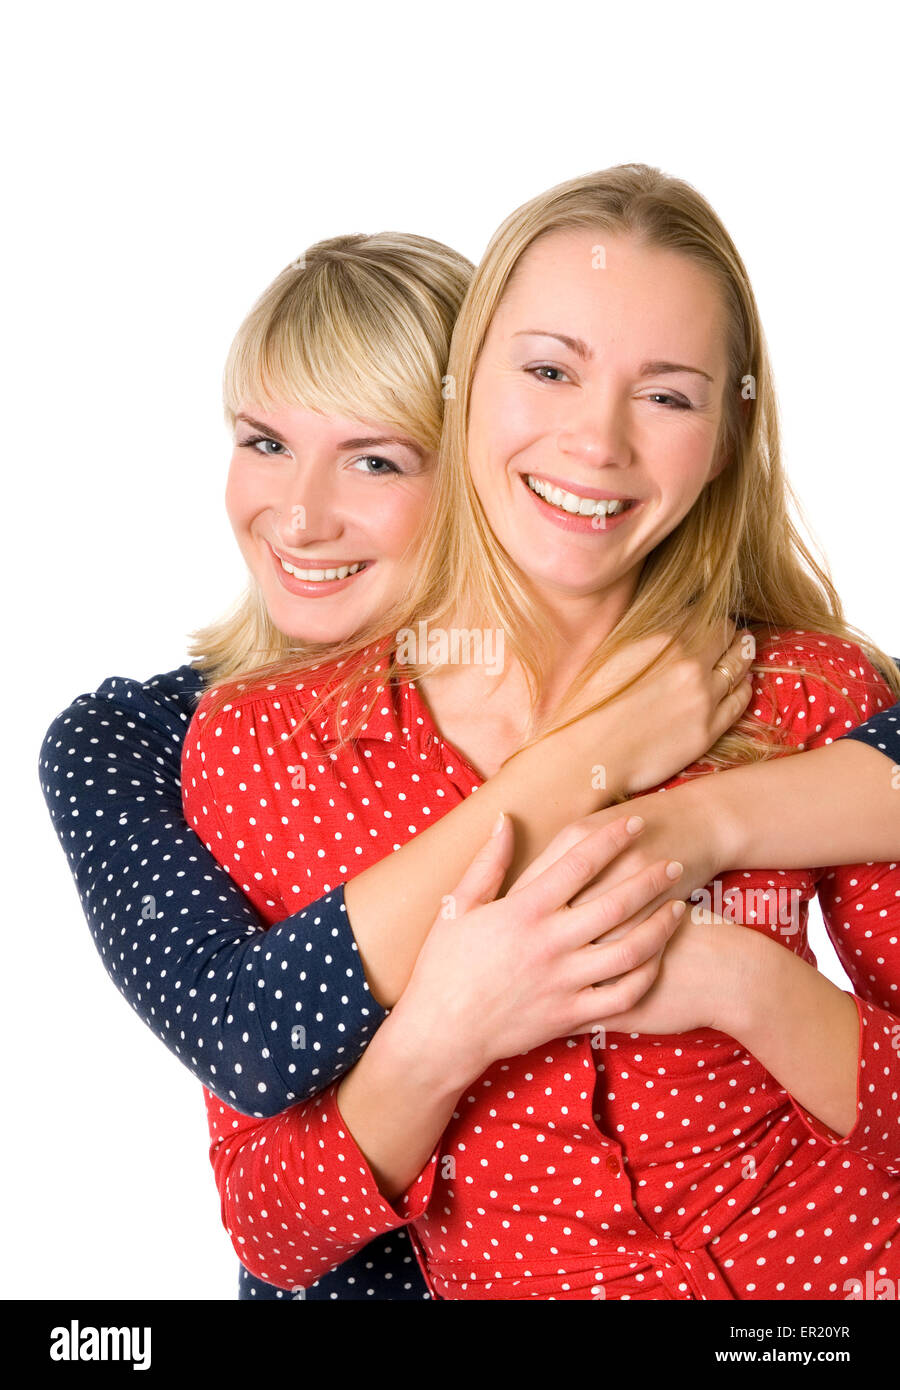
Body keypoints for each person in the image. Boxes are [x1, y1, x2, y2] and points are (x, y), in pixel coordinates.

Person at [185, 163, 900, 1300]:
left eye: (667, 395)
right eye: (550, 370)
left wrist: (742, 984)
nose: (596, 441)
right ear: (464, 386)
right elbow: (273, 1232)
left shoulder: (810, 694)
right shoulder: (272, 745)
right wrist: (453, 1021)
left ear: (725, 436)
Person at [37, 226, 752, 1300]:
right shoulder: (142, 741)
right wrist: (588, 765)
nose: (299, 513)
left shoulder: (677, 679)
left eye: (376, 459)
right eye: (265, 441)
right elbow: (249, 1038)